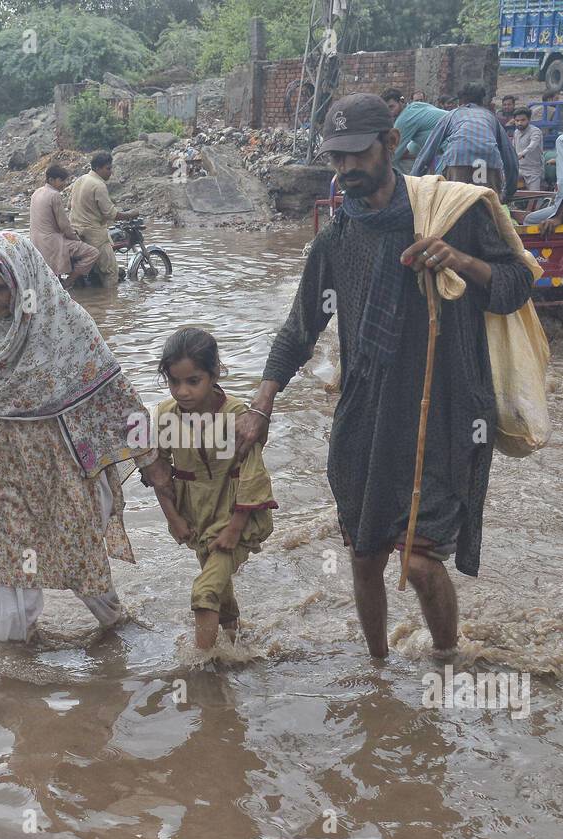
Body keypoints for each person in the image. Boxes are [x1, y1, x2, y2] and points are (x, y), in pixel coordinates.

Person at [234, 93, 533, 661]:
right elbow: (299, 330)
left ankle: (448, 662)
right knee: (366, 555)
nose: (345, 169)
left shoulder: (453, 215)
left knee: (421, 562)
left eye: (357, 155)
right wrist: (261, 404)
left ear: (391, 145)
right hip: (366, 416)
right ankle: (377, 675)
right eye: (336, 158)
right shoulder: (337, 240)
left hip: (445, 410)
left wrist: (461, 262)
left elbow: (518, 285)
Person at [0, 231, 170, 643]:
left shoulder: (66, 327)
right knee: (9, 571)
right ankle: (13, 678)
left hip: (66, 470)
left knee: (84, 570)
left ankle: (120, 634)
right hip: (10, 474)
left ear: (24, 280)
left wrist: (155, 469)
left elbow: (119, 398)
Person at [148, 328, 276, 650]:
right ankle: (236, 651)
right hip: (196, 516)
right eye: (174, 382)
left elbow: (252, 476)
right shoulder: (165, 416)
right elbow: (158, 471)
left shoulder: (236, 416)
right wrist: (173, 518)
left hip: (235, 517)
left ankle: (202, 671)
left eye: (193, 381)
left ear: (214, 373)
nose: (183, 391)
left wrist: (234, 529)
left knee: (204, 593)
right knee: (221, 594)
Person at [412, 83, 519, 200]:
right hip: (487, 159)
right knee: (487, 205)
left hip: (459, 158)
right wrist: (509, 191)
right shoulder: (490, 117)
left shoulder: (452, 115)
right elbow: (510, 157)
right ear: (482, 101)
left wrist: (413, 185)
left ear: (460, 102)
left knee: (457, 207)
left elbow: (428, 151)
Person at [68, 152, 136, 288]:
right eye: (108, 168)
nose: (110, 172)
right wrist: (131, 214)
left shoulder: (80, 180)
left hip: (75, 230)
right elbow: (111, 214)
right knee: (111, 272)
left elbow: (70, 205)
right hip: (94, 235)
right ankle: (110, 304)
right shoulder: (99, 185)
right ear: (98, 169)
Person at [28, 165, 99, 287]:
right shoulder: (54, 195)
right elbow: (64, 225)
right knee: (92, 252)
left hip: (36, 242)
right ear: (51, 180)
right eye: (61, 180)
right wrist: (76, 238)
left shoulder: (36, 193)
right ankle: (67, 284)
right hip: (52, 243)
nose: (64, 184)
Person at [393, 97, 448, 175]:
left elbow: (393, 155)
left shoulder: (404, 119)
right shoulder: (416, 106)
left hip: (450, 145)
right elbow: (412, 148)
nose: (390, 111)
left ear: (401, 102)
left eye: (392, 106)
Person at [511, 108, 544, 190]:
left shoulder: (535, 131)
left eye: (523, 120)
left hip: (533, 170)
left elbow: (533, 145)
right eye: (517, 120)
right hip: (519, 169)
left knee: (534, 197)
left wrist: (522, 154)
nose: (519, 123)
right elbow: (513, 148)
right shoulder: (516, 132)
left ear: (529, 120)